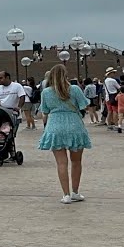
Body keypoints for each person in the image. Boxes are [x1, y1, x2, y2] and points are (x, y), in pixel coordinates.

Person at [37, 64, 91, 204]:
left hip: (55, 126)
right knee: (76, 161)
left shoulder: (46, 92)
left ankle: (65, 195)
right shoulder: (74, 89)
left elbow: (45, 111)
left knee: (61, 163)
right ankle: (75, 192)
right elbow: (84, 105)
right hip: (74, 126)